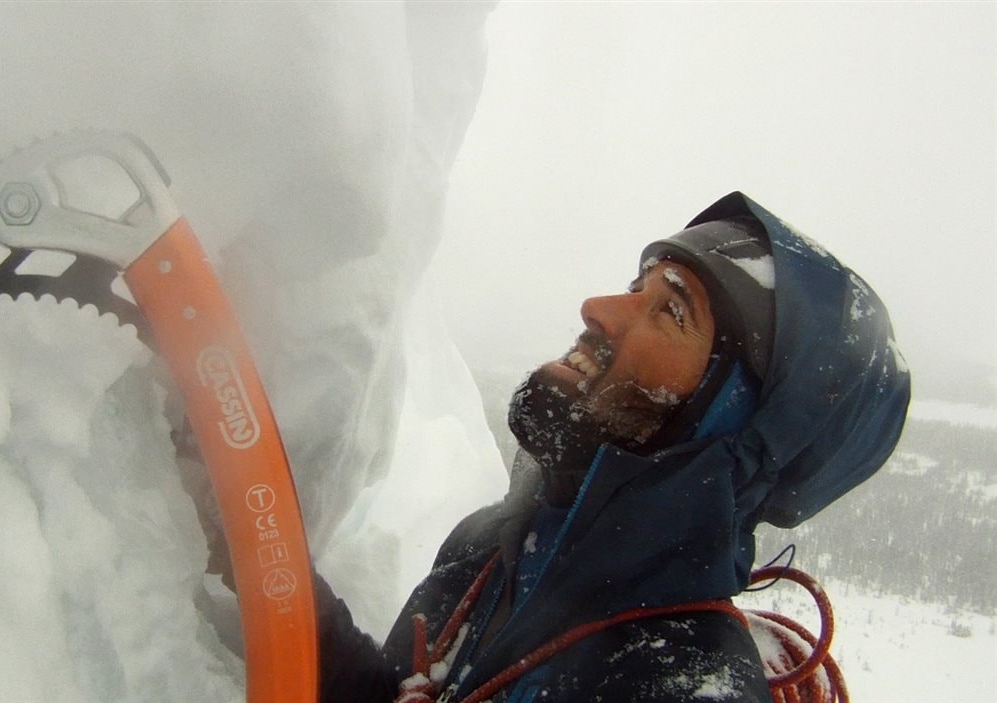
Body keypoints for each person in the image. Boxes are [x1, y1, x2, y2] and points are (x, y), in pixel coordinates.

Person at [314, 191, 911, 702]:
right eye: (635, 287)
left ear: (728, 424)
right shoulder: (490, 546)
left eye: (671, 311)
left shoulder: (678, 681)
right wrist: (288, 590)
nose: (596, 309)